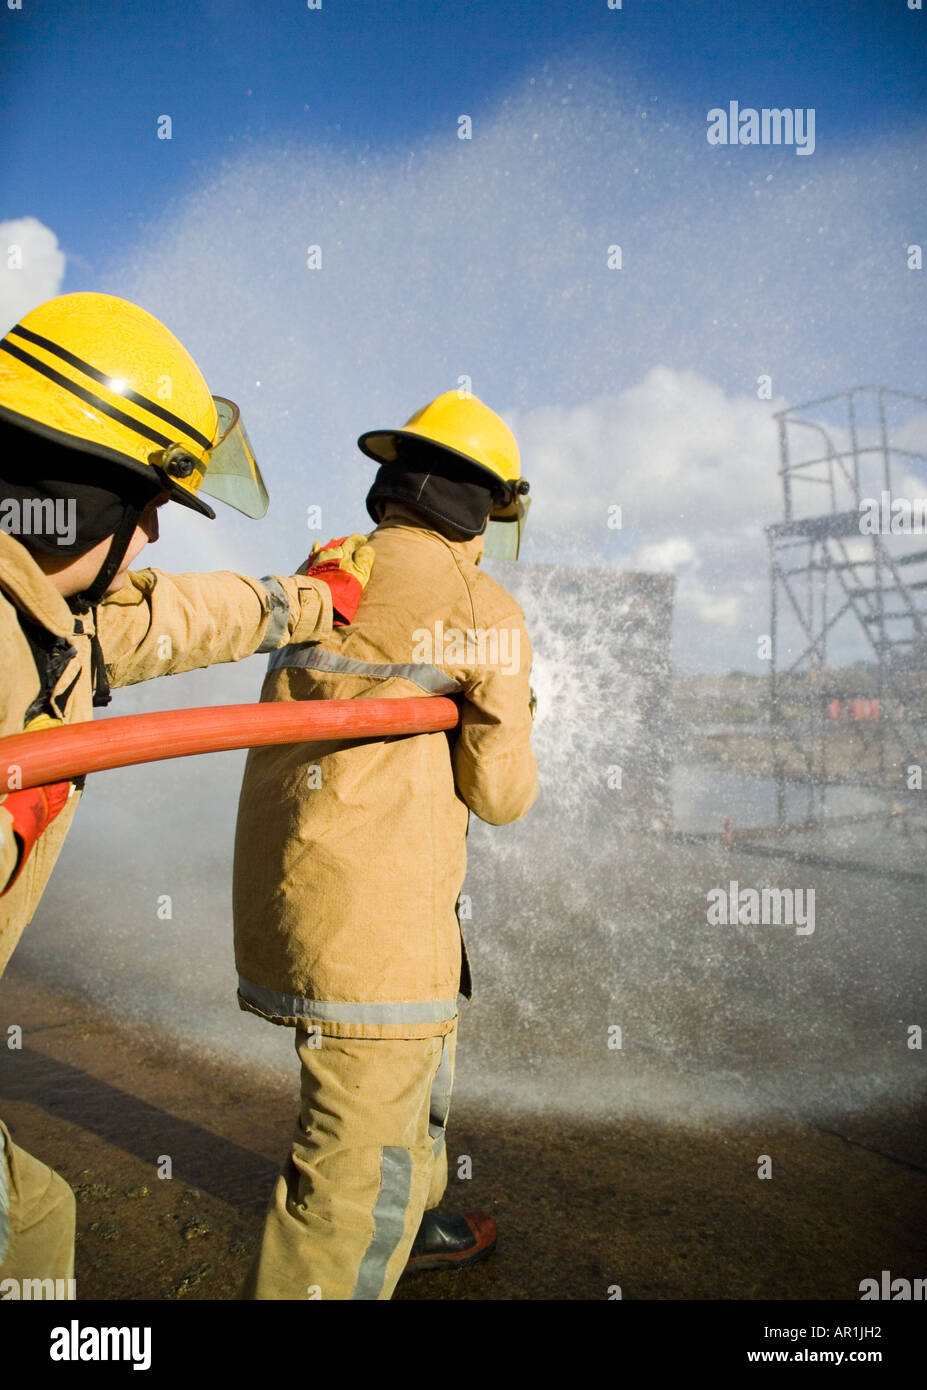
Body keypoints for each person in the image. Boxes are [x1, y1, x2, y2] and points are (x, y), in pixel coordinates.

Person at [0, 291, 373, 1293]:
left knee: (34, 1218)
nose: (158, 535)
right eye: (149, 505)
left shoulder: (52, 611)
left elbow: (174, 617)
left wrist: (309, 598)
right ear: (86, 497)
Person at [232, 389, 538, 1300]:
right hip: (380, 932)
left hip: (294, 890)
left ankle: (419, 1219)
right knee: (350, 1173)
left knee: (420, 1079)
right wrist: (510, 715)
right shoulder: (485, 605)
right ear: (481, 507)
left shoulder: (329, 567)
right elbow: (501, 795)